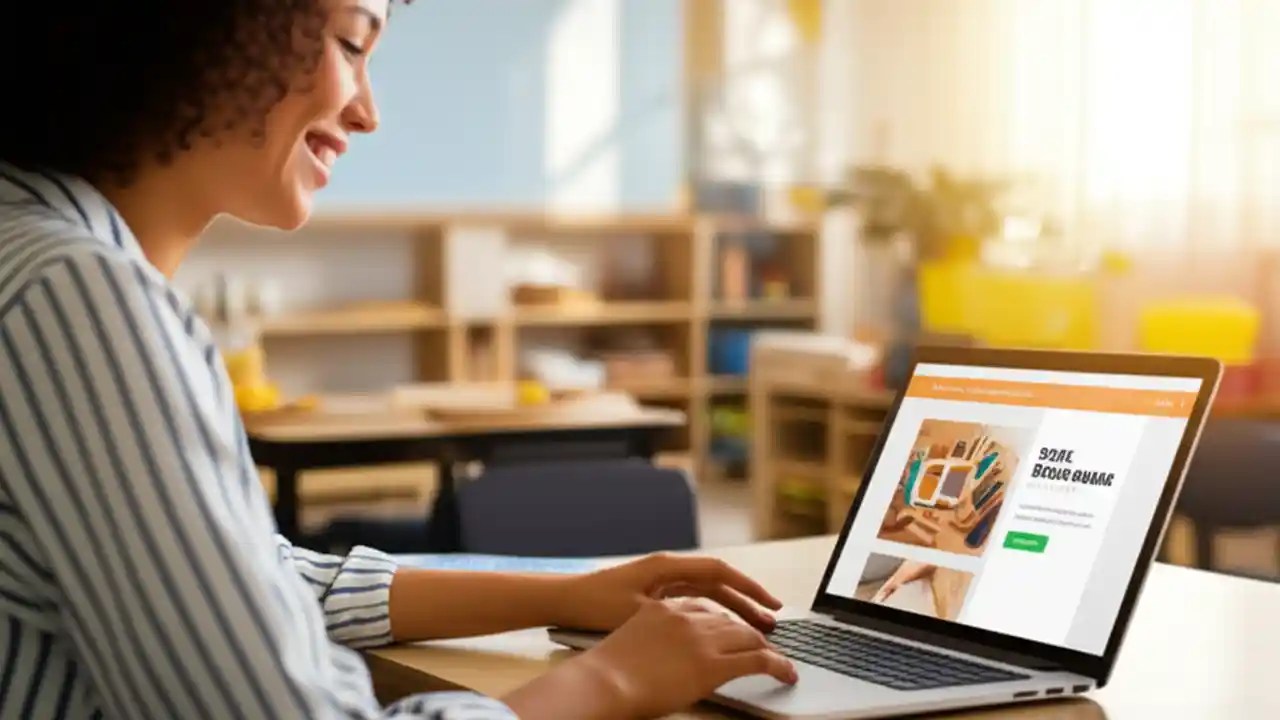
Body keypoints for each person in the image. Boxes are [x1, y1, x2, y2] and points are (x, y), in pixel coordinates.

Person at [0, 2, 796, 718]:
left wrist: (569, 593)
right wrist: (609, 682)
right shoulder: (81, 296)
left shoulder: (32, 257)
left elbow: (237, 578)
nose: (369, 112)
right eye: (352, 43)